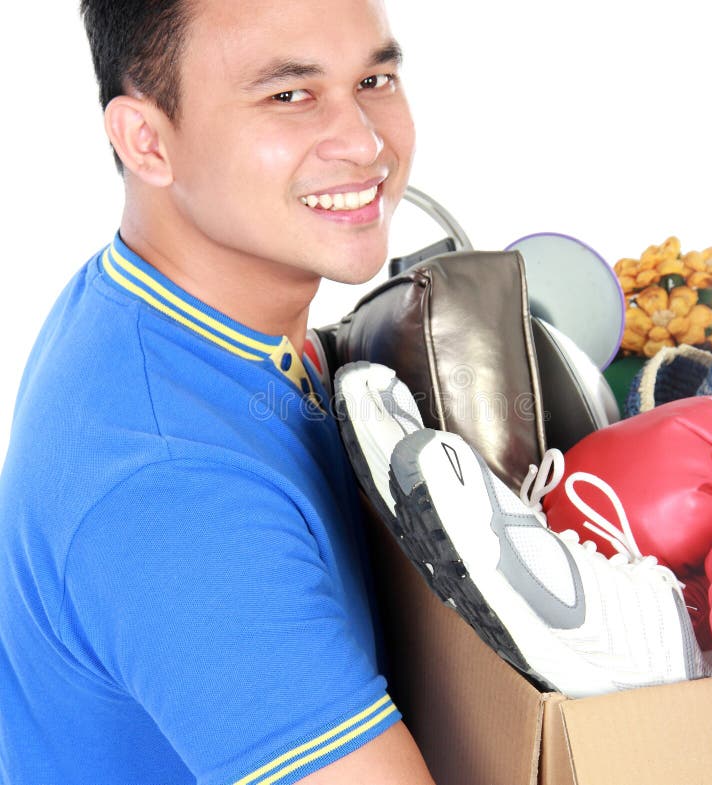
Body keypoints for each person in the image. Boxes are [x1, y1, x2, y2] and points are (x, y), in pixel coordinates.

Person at [0, 0, 434, 783]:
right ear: (146, 140)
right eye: (289, 95)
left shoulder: (175, 313)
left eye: (374, 78)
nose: (367, 144)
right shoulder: (171, 491)